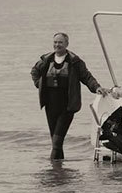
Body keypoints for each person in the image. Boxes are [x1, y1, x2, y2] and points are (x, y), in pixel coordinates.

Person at [31, 32, 106, 160]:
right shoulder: (46, 60)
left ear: (67, 44)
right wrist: (39, 84)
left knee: (56, 142)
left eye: (60, 42)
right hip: (50, 106)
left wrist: (97, 88)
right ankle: (59, 173)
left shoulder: (74, 61)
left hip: (67, 106)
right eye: (55, 42)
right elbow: (34, 71)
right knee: (56, 142)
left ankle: (53, 172)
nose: (57, 45)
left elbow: (86, 77)